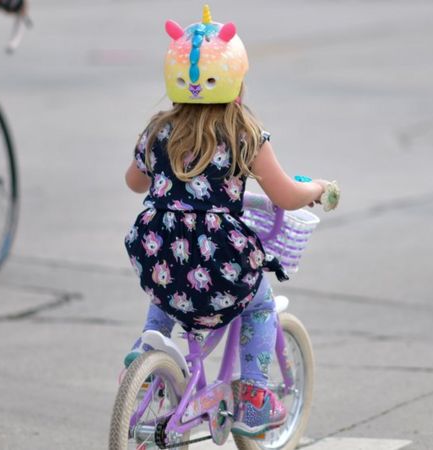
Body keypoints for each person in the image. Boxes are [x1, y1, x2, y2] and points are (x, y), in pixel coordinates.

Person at [123, 5, 334, 437]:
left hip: (157, 249)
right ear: (236, 78)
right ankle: (255, 396)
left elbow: (133, 183)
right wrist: (314, 189)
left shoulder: (158, 130)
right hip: (220, 258)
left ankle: (146, 352)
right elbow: (284, 195)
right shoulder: (243, 133)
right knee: (258, 305)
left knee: (166, 283)